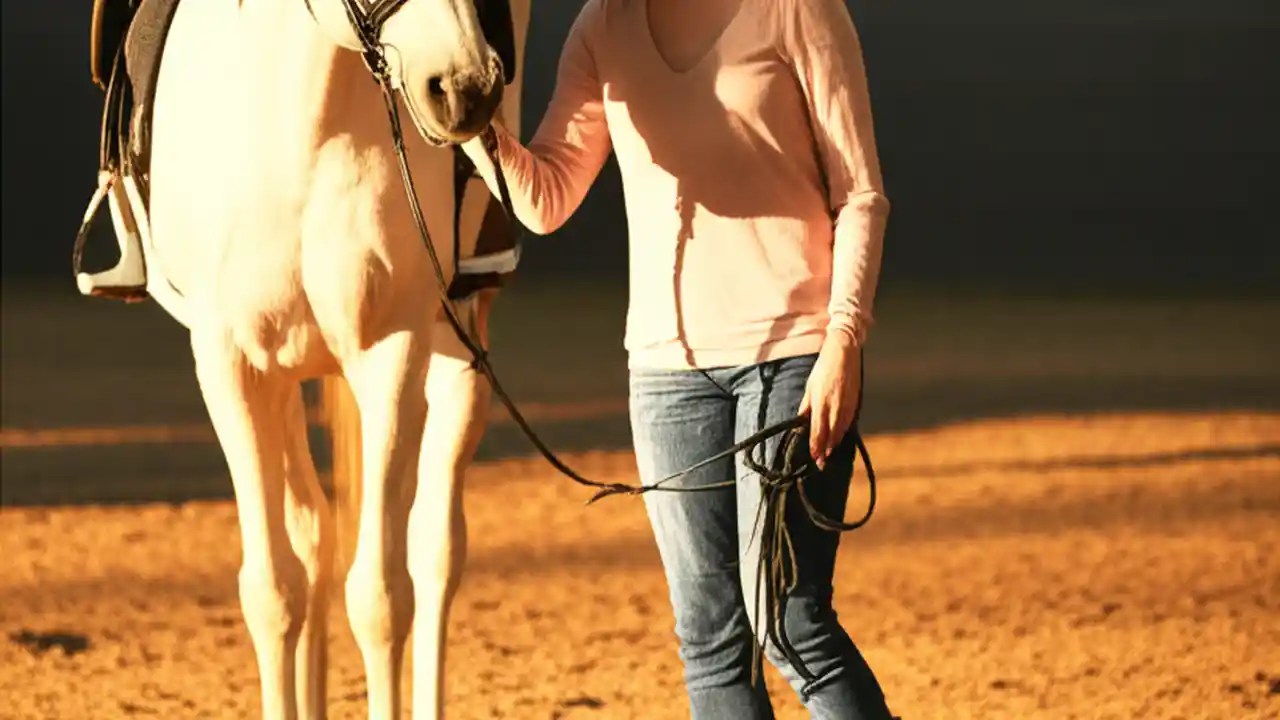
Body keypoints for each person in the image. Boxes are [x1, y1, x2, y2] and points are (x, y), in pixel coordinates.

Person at [463, 0, 893, 716]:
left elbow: (862, 194)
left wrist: (842, 341)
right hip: (668, 374)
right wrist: (476, 130)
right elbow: (547, 198)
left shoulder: (797, 10)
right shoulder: (603, 28)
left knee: (787, 619)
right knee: (710, 639)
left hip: (795, 354)